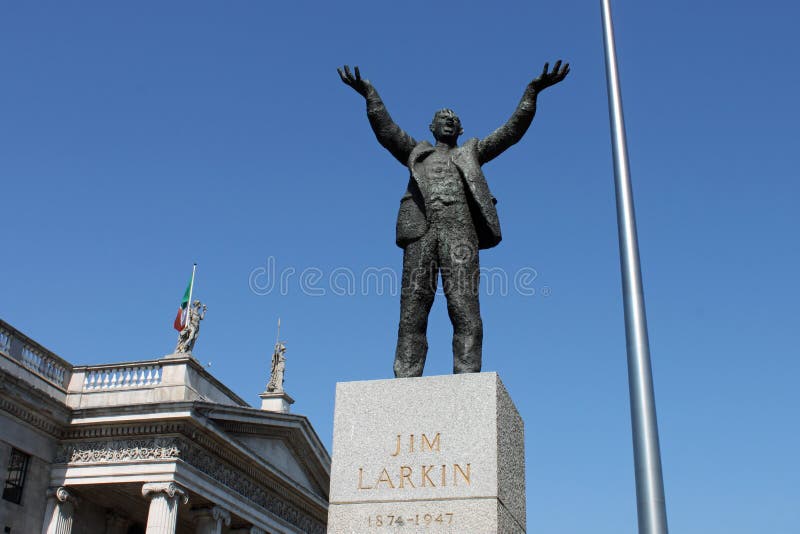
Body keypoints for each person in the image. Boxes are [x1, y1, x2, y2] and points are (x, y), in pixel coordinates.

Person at [338, 62, 569, 377]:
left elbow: (511, 132)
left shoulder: (471, 152)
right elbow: (387, 130)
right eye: (442, 119)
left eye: (454, 120)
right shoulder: (417, 152)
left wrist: (532, 93)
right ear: (431, 128)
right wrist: (370, 95)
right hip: (420, 232)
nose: (448, 121)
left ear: (460, 130)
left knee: (464, 308)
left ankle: (467, 376)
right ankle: (406, 374)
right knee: (412, 311)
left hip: (459, 234)